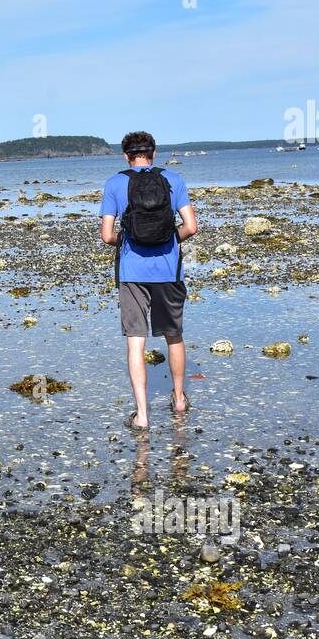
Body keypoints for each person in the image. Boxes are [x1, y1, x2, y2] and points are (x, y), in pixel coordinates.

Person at [99, 131, 198, 432]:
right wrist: (168, 238)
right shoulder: (173, 180)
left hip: (132, 273)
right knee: (174, 336)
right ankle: (179, 399)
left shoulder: (115, 183)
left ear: (126, 156)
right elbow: (191, 227)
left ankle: (142, 415)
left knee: (135, 342)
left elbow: (106, 236)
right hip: (168, 271)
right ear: (154, 154)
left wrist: (127, 240)